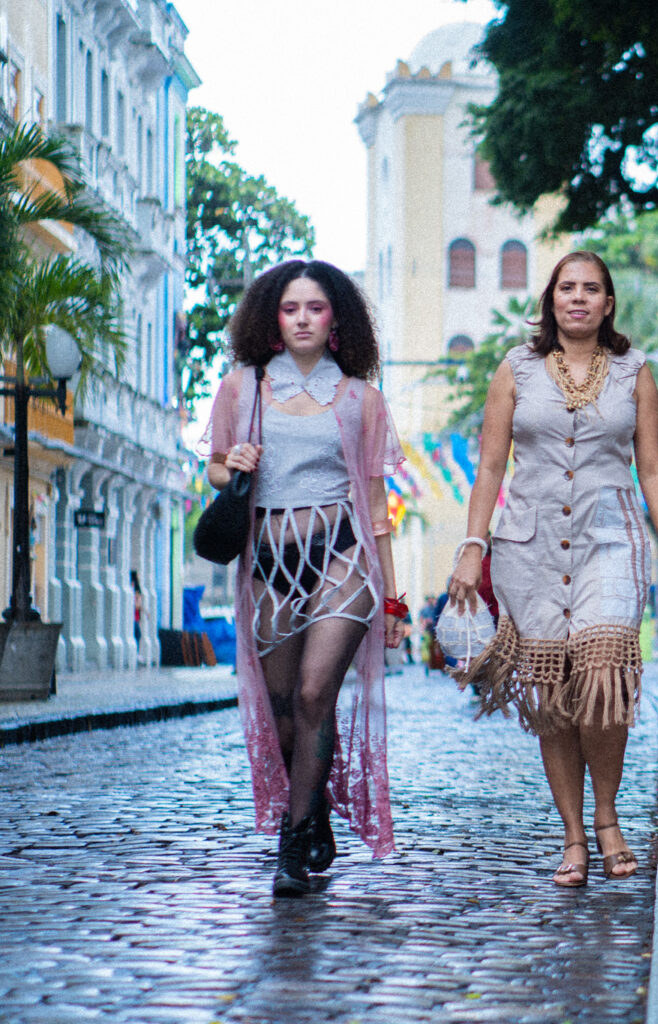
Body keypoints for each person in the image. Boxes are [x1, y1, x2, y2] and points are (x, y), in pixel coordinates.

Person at [449, 251, 658, 888]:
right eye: (566, 288)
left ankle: (607, 817)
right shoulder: (515, 371)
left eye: (592, 289)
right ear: (550, 301)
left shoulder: (635, 373)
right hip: (528, 546)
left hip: (611, 541)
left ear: (609, 303)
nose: (578, 298)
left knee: (604, 673)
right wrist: (473, 546)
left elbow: (653, 470)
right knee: (553, 690)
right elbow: (492, 469)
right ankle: (575, 836)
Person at [203, 259, 405, 898]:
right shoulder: (242, 389)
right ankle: (310, 806)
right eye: (291, 309)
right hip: (267, 561)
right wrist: (229, 462)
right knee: (287, 712)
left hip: (342, 558)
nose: (302, 319)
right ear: (273, 317)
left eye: (315, 308)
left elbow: (375, 508)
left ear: (335, 318)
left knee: (318, 694)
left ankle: (291, 852)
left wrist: (393, 600)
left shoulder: (361, 400)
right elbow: (215, 471)